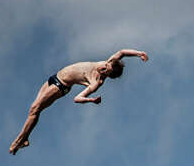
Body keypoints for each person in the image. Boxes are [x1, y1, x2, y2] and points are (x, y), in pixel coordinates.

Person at [9, 49, 148, 154]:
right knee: (33, 110)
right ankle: (25, 139)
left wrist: (91, 100)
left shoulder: (96, 82)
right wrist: (139, 53)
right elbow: (122, 52)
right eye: (106, 66)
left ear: (108, 75)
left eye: (106, 71)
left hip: (61, 86)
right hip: (54, 77)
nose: (103, 68)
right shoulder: (111, 61)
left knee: (34, 109)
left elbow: (77, 98)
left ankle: (18, 141)